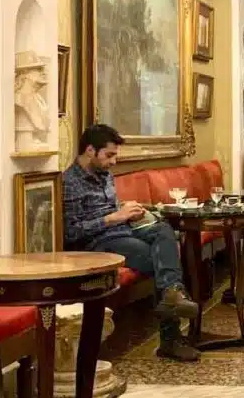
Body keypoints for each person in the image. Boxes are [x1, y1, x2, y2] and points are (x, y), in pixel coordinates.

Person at [62, 124, 200, 362]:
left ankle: (172, 294)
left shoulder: (105, 174)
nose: (114, 161)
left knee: (164, 231)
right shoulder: (69, 182)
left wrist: (129, 211)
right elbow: (72, 232)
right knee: (162, 260)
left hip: (125, 229)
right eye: (110, 155)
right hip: (100, 241)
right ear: (90, 150)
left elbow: (112, 207)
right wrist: (114, 217)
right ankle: (171, 336)